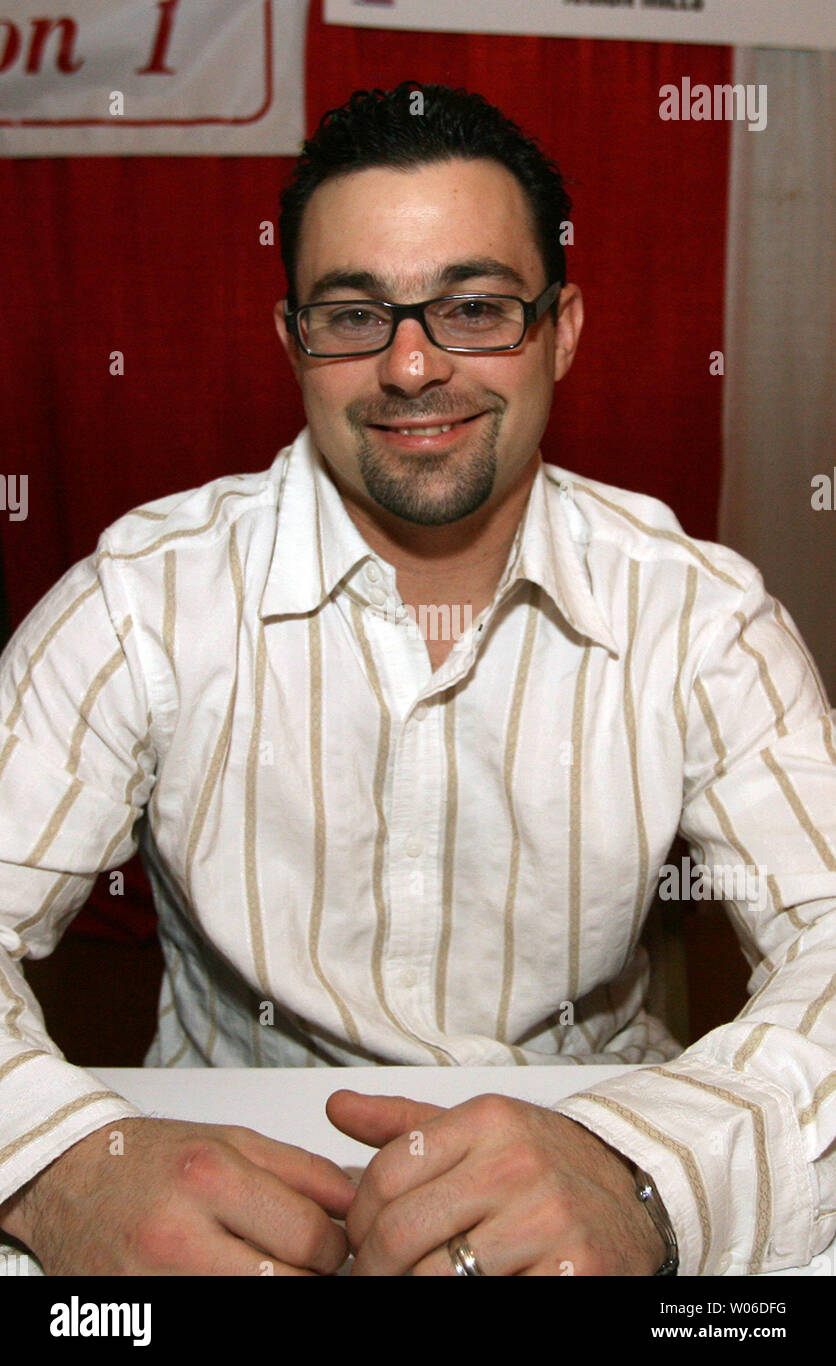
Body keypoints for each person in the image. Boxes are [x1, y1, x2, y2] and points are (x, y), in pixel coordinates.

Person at [0, 81, 834, 1278]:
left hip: (591, 1172)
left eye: (475, 306)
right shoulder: (140, 600)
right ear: (291, 341)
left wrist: (652, 1174)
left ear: (563, 328)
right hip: (221, 1205)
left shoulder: (698, 613)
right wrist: (61, 1163)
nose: (409, 365)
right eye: (352, 315)